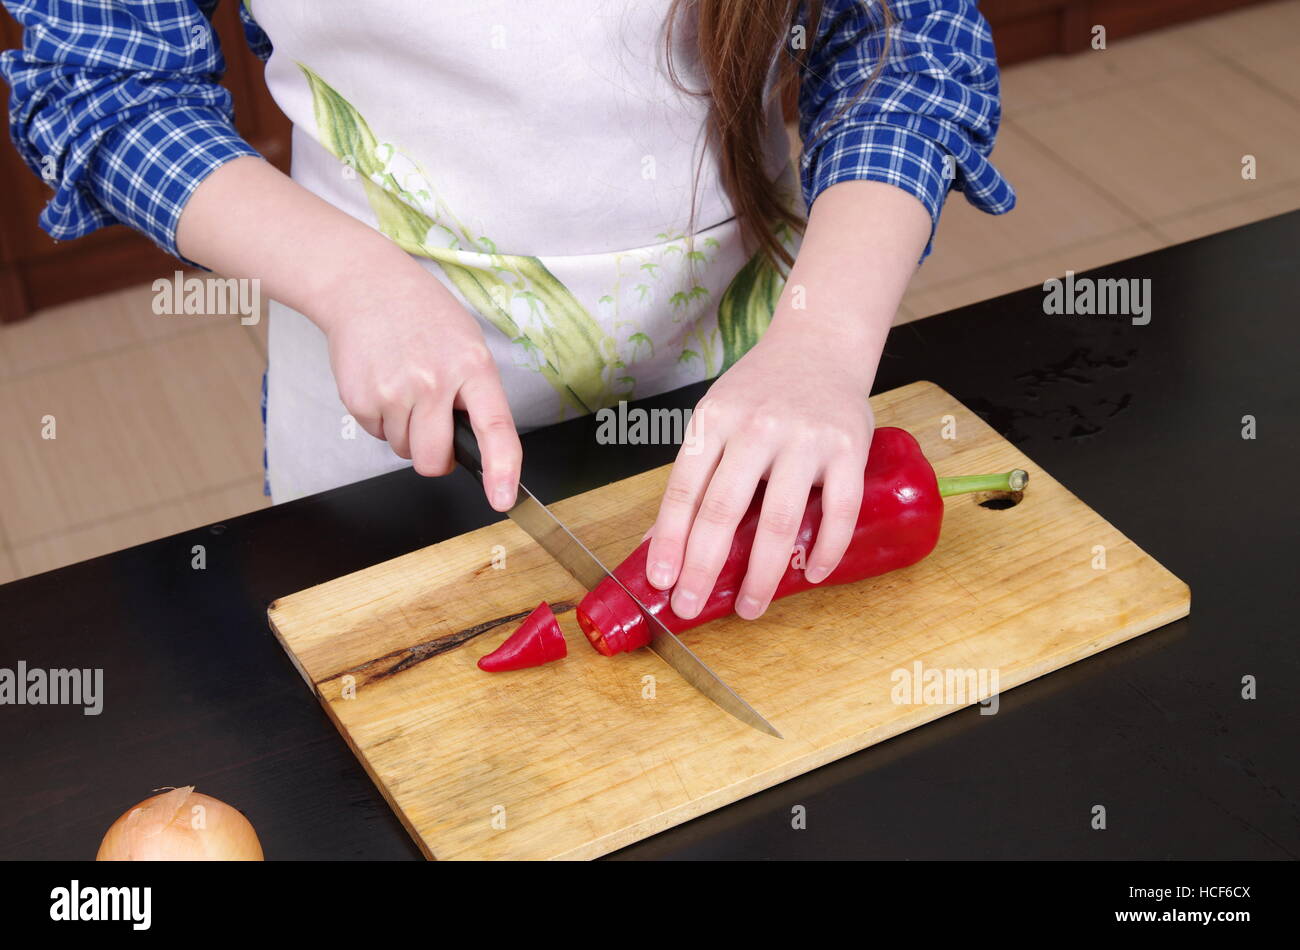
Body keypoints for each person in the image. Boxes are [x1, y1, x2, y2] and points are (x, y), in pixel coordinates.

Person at [2, 0, 1013, 621]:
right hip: (385, 417)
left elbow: (905, 40)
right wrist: (346, 276)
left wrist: (825, 340)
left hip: (751, 377)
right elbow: (103, 82)